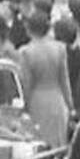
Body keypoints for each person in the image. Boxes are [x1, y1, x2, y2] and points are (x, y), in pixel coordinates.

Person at [16, 8, 74, 148]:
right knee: (59, 142)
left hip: (38, 101)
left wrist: (23, 106)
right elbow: (64, 80)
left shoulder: (26, 52)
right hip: (58, 99)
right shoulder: (60, 48)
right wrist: (70, 105)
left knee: (40, 141)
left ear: (29, 29)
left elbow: (27, 84)